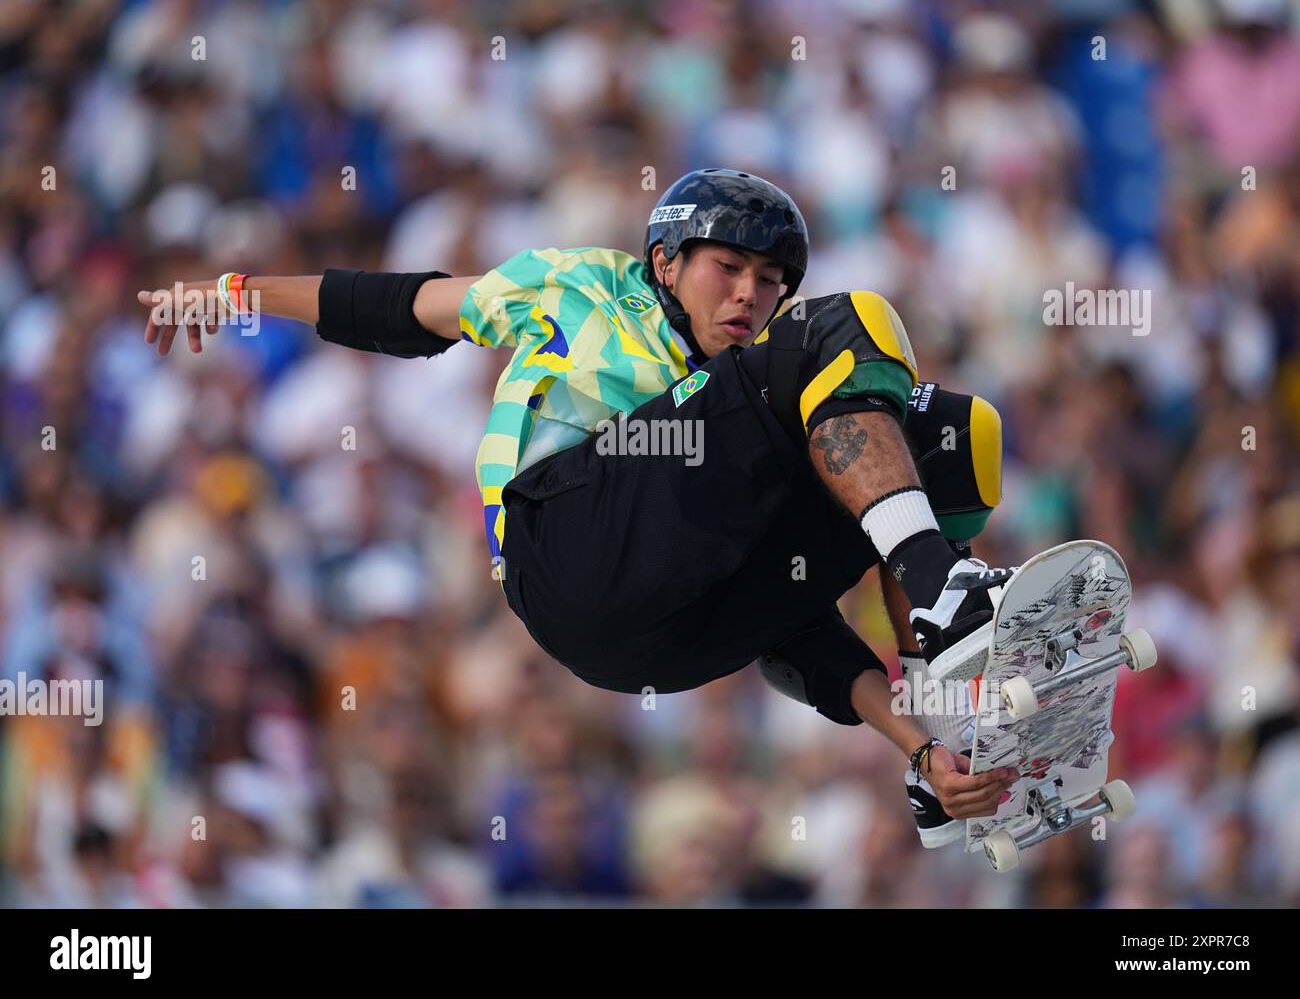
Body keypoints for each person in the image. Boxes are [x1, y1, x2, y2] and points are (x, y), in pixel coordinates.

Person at [138, 168, 1019, 849]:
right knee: (850, 324)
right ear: (667, 262)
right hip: (566, 535)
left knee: (949, 432)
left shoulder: (745, 424)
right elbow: (407, 307)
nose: (751, 296)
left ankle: (944, 728)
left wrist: (912, 743)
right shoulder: (586, 283)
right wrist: (237, 293)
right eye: (730, 269)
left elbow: (793, 627)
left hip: (659, 635)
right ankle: (941, 586)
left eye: (769, 278)